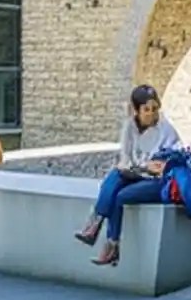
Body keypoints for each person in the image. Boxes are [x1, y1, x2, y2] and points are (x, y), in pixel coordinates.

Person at [74, 84, 181, 266]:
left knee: (120, 196)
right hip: (137, 173)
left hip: (159, 182)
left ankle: (108, 241)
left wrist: (142, 167)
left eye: (155, 109)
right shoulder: (129, 127)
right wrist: (138, 167)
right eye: (146, 109)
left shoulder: (166, 130)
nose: (152, 114)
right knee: (115, 176)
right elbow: (125, 158)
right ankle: (96, 225)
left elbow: (165, 164)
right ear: (136, 110)